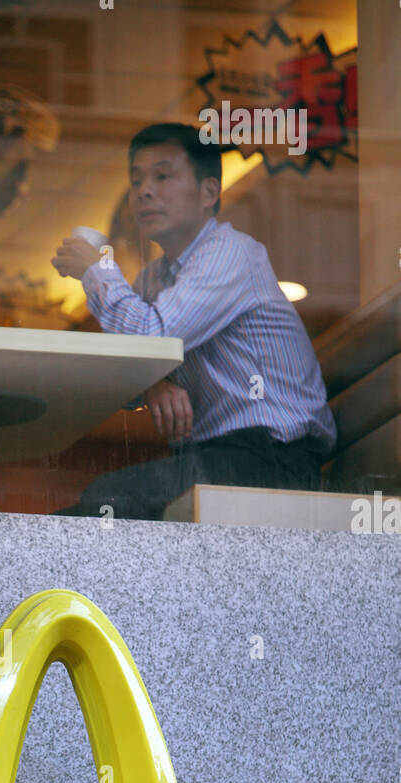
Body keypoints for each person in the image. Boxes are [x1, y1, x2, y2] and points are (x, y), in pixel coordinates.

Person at [51, 122, 337, 520]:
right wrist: (153, 382)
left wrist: (95, 269)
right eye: (136, 180)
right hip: (218, 460)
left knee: (105, 499)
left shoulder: (231, 253)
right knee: (67, 518)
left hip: (272, 461)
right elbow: (127, 364)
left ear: (208, 192)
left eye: (163, 176)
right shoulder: (154, 276)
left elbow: (151, 335)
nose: (144, 190)